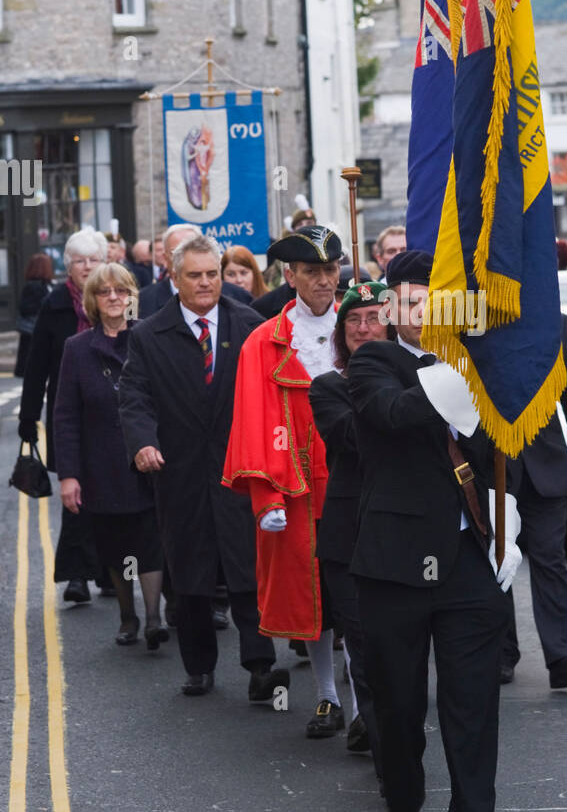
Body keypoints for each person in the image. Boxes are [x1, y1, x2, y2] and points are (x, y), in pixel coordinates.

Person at [348, 250, 520, 812]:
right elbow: (390, 417)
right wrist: (455, 382)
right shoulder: (374, 361)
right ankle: (403, 801)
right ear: (391, 305)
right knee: (397, 703)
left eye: (437, 300)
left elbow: (505, 446)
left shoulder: (477, 365)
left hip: (468, 558)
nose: (426, 312)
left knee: (473, 707)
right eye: (415, 301)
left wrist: (510, 514)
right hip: (395, 564)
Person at [118, 234, 289, 702]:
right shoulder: (149, 334)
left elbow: (273, 397)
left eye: (212, 273)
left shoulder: (250, 325)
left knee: (247, 570)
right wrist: (143, 444)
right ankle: (198, 667)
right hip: (181, 474)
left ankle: (260, 667)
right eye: (194, 275)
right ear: (174, 279)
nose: (206, 283)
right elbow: (134, 398)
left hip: (240, 471)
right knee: (190, 574)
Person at [241, 225, 347, 732]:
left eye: (331, 269)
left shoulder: (366, 326)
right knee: (318, 596)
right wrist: (267, 495)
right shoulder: (264, 342)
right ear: (290, 276)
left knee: (367, 595)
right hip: (303, 485)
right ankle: (328, 695)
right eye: (313, 271)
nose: (325, 281)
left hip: (363, 480)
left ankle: (371, 703)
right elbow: (255, 422)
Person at [53, 263, 167, 648]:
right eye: (105, 292)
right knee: (117, 545)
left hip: (149, 460)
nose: (114, 297)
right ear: (93, 301)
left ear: (132, 295)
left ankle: (153, 618)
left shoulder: (150, 339)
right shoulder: (77, 349)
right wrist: (68, 475)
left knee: (149, 539)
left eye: (121, 290)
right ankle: (128, 615)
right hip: (101, 464)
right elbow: (65, 415)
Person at [309, 281, 393, 768]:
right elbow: (352, 438)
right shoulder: (328, 388)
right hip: (348, 538)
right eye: (352, 321)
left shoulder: (418, 378)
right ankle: (385, 758)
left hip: (405, 537)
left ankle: (400, 742)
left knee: (399, 654)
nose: (362, 328)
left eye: (373, 318)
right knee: (361, 649)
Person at [501, 311, 567, 687]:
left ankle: (565, 654)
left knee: (550, 559)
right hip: (491, 465)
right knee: (496, 564)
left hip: (547, 463)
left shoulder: (554, 323)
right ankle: (500, 654)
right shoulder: (468, 316)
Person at [18, 228, 109, 603]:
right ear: (67, 266)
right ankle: (76, 577)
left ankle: (109, 573)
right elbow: (36, 365)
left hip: (111, 415)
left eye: (93, 260)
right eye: (79, 261)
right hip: (66, 413)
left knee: (112, 495)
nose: (86, 267)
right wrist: (27, 420)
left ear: (105, 262)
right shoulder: (54, 304)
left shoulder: (120, 296)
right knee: (75, 498)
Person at [139, 223, 252, 318]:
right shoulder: (143, 301)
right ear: (165, 258)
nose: (187, 257)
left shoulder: (240, 297)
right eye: (177, 253)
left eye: (194, 250)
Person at [14, 253, 53, 378]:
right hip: (32, 328)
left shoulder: (46, 284)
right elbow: (25, 307)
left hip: (34, 328)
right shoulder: (34, 286)